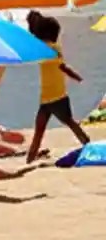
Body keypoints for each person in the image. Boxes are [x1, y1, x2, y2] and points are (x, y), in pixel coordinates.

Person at [27, 14, 92, 162]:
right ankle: (30, 159)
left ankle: (88, 144)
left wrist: (76, 77)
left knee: (68, 122)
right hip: (46, 98)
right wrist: (75, 77)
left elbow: (62, 66)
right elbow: (63, 67)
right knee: (42, 128)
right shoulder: (47, 48)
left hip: (57, 96)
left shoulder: (50, 49)